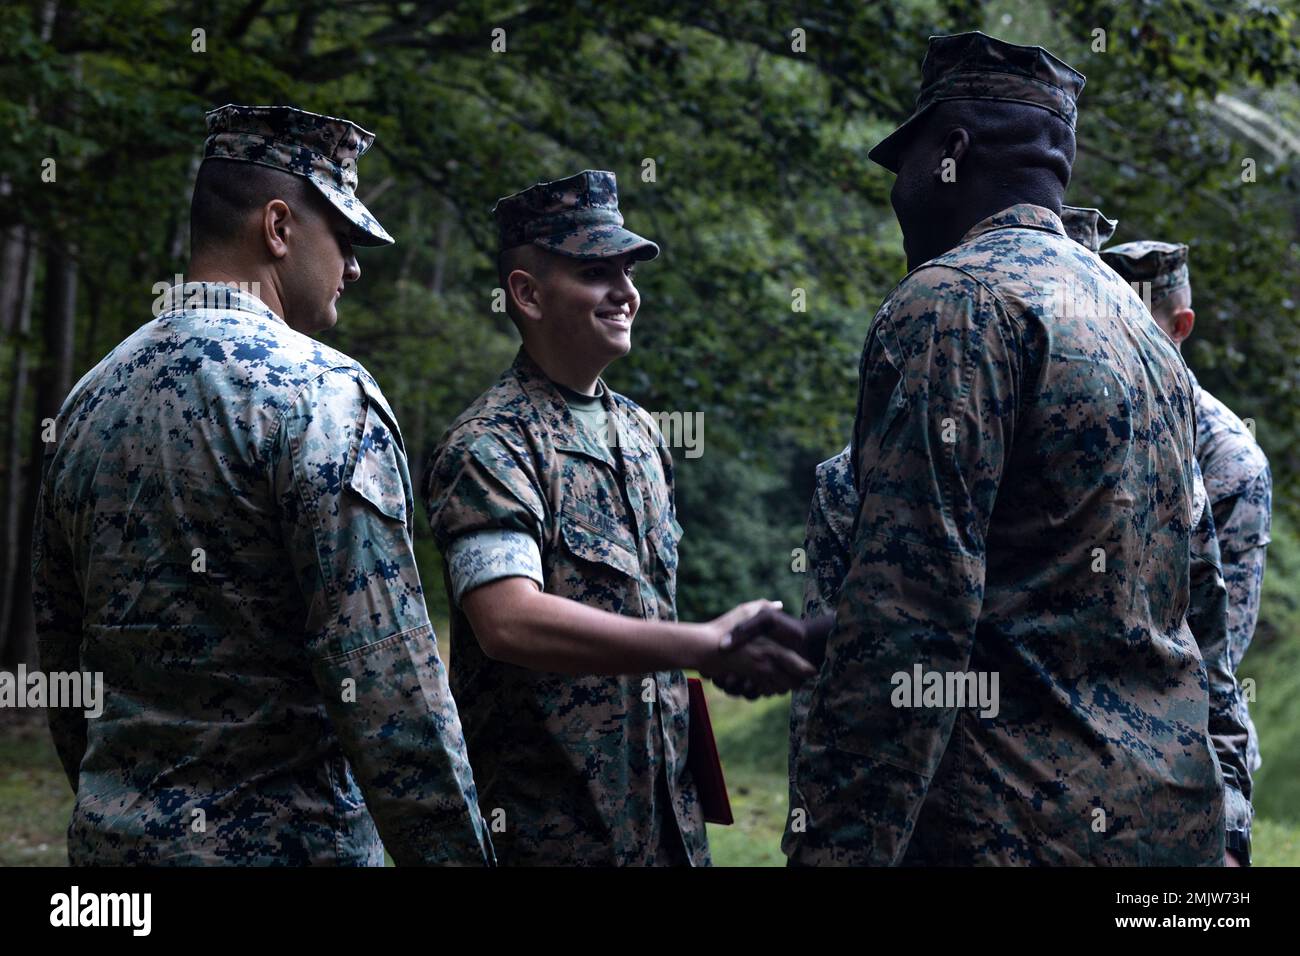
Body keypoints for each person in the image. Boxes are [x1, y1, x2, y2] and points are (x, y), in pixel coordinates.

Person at [785, 32, 1242, 865]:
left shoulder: (953, 303)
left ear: (952, 152)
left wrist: (837, 848)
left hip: (1009, 830)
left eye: (908, 160)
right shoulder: (1136, 328)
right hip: (1167, 835)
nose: (901, 190)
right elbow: (1199, 604)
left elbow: (909, 614)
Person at [32, 104, 489, 865]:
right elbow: (389, 686)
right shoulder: (323, 396)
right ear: (278, 228)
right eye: (343, 238)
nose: (355, 266)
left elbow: (62, 658)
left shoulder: (88, 399)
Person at [424, 169, 814, 865]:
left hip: (665, 825)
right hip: (554, 836)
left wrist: (724, 648)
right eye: (596, 272)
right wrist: (704, 643)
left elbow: (644, 616)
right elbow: (507, 620)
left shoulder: (640, 434)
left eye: (629, 272)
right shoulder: (489, 445)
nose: (626, 293)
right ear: (527, 294)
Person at [1102, 239, 1269, 864]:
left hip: (1184, 742)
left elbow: (1217, 650)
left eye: (1146, 326)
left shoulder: (1228, 462)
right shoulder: (1088, 422)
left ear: (1182, 326)